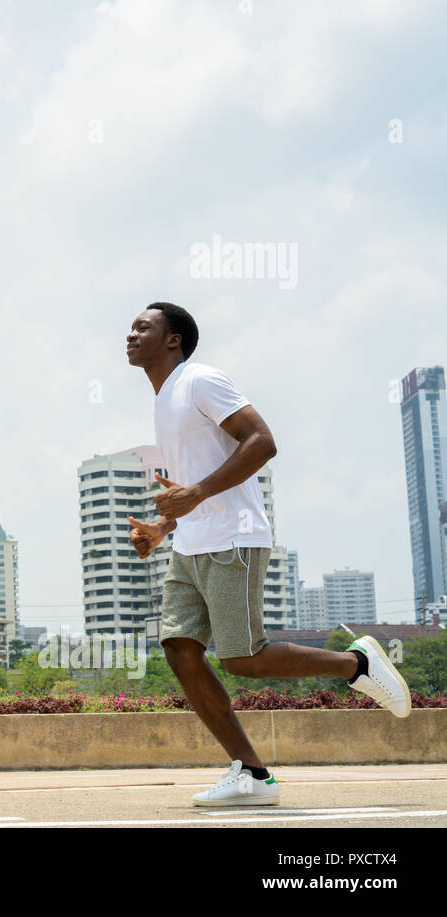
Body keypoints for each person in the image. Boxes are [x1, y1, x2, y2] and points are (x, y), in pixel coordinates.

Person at [125, 302, 410, 806]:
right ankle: (252, 774)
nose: (130, 335)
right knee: (179, 647)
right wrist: (163, 526)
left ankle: (355, 663)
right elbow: (191, 486)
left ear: (173, 340)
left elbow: (262, 441)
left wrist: (194, 496)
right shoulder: (163, 399)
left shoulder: (200, 380)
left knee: (243, 658)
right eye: (131, 328)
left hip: (233, 540)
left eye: (143, 327)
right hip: (191, 545)